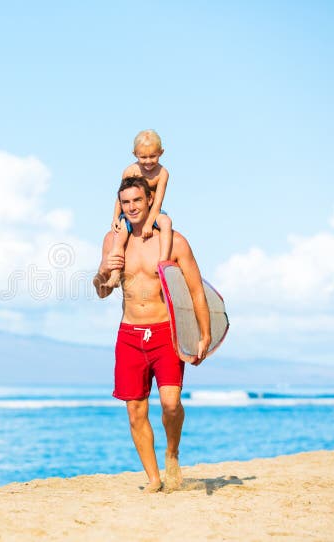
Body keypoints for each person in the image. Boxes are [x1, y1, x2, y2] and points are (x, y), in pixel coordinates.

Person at [93, 175, 210, 493]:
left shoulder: (174, 242)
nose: (131, 207)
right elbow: (103, 291)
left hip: (165, 334)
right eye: (125, 202)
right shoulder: (113, 241)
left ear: (149, 201)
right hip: (130, 334)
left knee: (171, 405)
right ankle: (154, 478)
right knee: (135, 411)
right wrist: (103, 272)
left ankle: (172, 453)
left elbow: (197, 291)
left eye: (136, 201)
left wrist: (205, 334)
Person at [102, 129, 173, 288]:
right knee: (119, 238)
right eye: (143, 157)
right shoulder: (130, 171)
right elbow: (121, 197)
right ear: (135, 154)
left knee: (167, 222)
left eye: (153, 156)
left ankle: (163, 265)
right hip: (131, 214)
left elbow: (158, 202)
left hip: (153, 211)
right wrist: (115, 218)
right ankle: (115, 274)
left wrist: (149, 223)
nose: (148, 161)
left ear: (161, 152)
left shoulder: (163, 173)